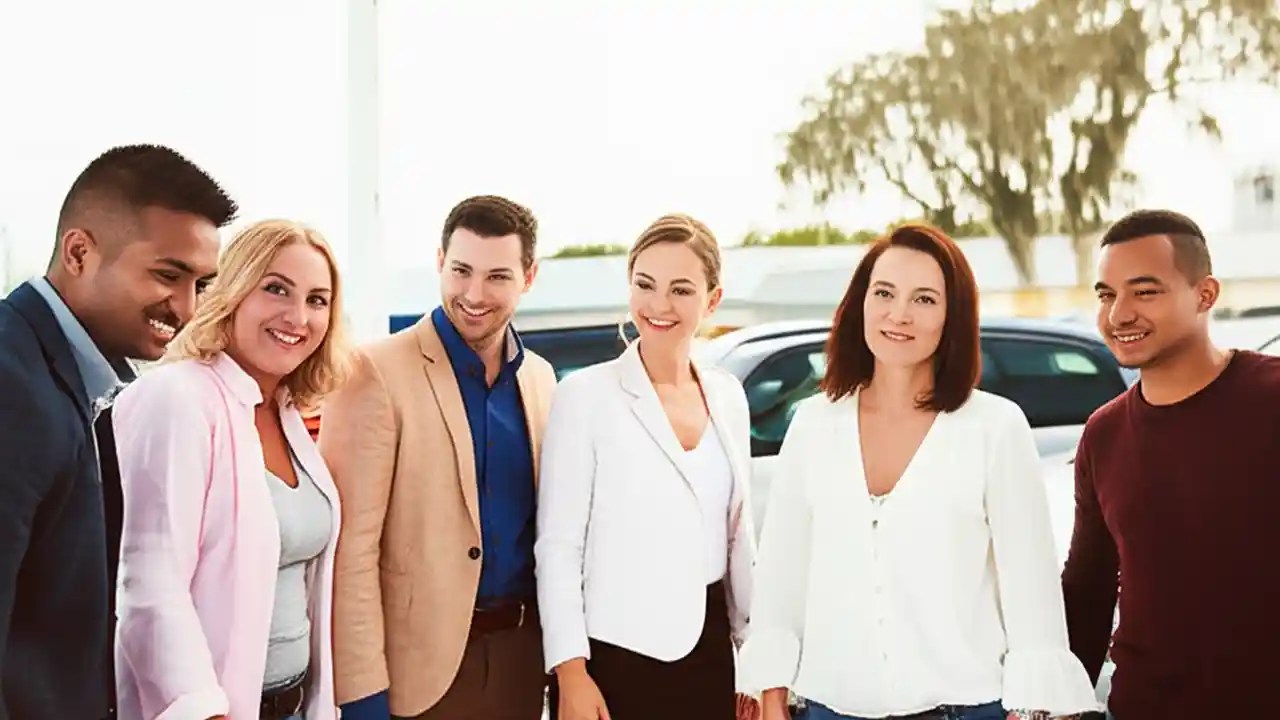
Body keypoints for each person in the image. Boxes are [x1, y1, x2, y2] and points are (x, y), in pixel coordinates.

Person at [738, 224, 1101, 720]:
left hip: (963, 709)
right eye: (884, 292)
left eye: (925, 299)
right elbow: (781, 578)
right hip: (829, 709)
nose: (899, 314)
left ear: (953, 316)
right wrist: (772, 693)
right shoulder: (813, 425)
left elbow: (1031, 593)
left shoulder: (994, 427)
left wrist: (1036, 706)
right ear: (860, 304)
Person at [0, 144, 233, 720]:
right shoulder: (11, 383)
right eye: (166, 275)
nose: (185, 307)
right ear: (79, 252)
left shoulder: (89, 381)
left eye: (201, 284)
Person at [321, 195, 558, 720]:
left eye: (497, 276)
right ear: (439, 263)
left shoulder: (540, 379)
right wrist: (361, 697)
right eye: (461, 271)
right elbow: (350, 550)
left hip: (523, 663)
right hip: (417, 677)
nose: (474, 294)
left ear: (529, 277)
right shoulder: (373, 371)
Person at [111, 220, 350, 720]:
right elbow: (150, 582)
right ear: (234, 290)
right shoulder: (178, 396)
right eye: (276, 289)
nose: (298, 316)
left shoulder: (282, 410)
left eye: (317, 299)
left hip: (293, 705)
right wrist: (203, 711)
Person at [535, 214, 756, 720]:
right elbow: (558, 547)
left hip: (712, 654)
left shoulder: (727, 396)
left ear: (712, 299)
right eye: (645, 284)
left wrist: (753, 658)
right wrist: (570, 674)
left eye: (681, 289)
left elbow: (739, 538)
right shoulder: (585, 397)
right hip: (617, 661)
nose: (659, 305)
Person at [1062, 210, 1280, 719]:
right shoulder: (1104, 433)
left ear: (1205, 295)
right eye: (1106, 294)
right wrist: (1057, 702)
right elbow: (1088, 590)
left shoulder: (1272, 399)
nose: (1118, 315)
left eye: (1145, 291)